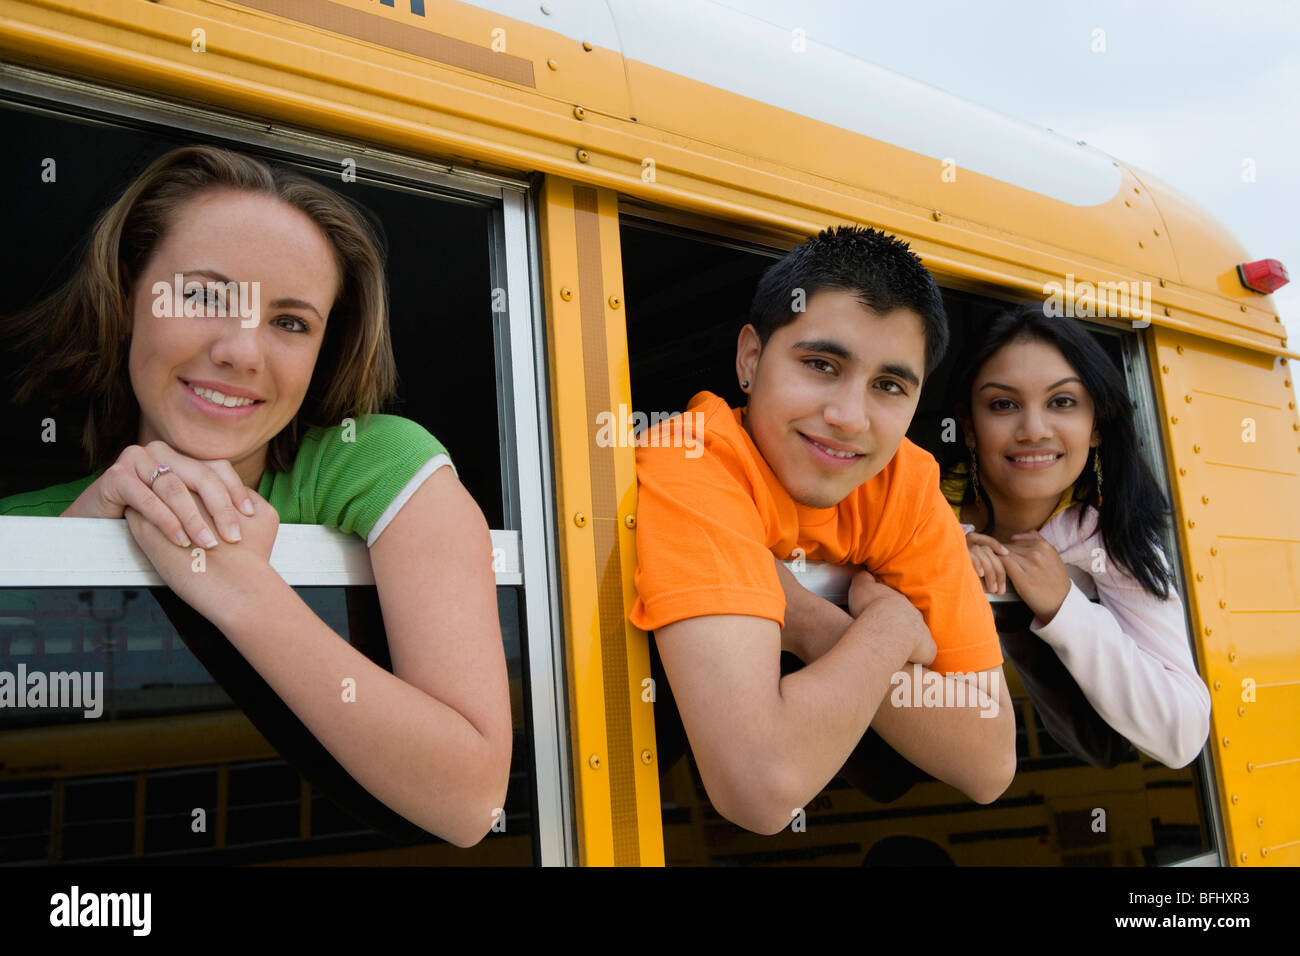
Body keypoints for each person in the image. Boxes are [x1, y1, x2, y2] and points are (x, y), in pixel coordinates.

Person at [0, 145, 511, 846]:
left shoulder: (376, 463)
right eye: (205, 296)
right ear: (126, 298)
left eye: (291, 322)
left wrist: (244, 591)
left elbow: (472, 800)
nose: (243, 351)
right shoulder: (18, 527)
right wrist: (74, 557)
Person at [630, 226, 1016, 835]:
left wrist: (812, 623)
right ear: (751, 359)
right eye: (820, 364)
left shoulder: (907, 485)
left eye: (889, 386)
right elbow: (761, 787)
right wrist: (888, 627)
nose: (848, 418)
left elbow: (990, 760)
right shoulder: (692, 459)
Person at [939, 306, 1210, 769]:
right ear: (968, 426)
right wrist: (943, 551)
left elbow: (1181, 734)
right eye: (1003, 405)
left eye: (1062, 402)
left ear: (1097, 425)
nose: (1033, 431)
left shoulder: (1109, 538)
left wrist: (1065, 607)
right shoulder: (918, 506)